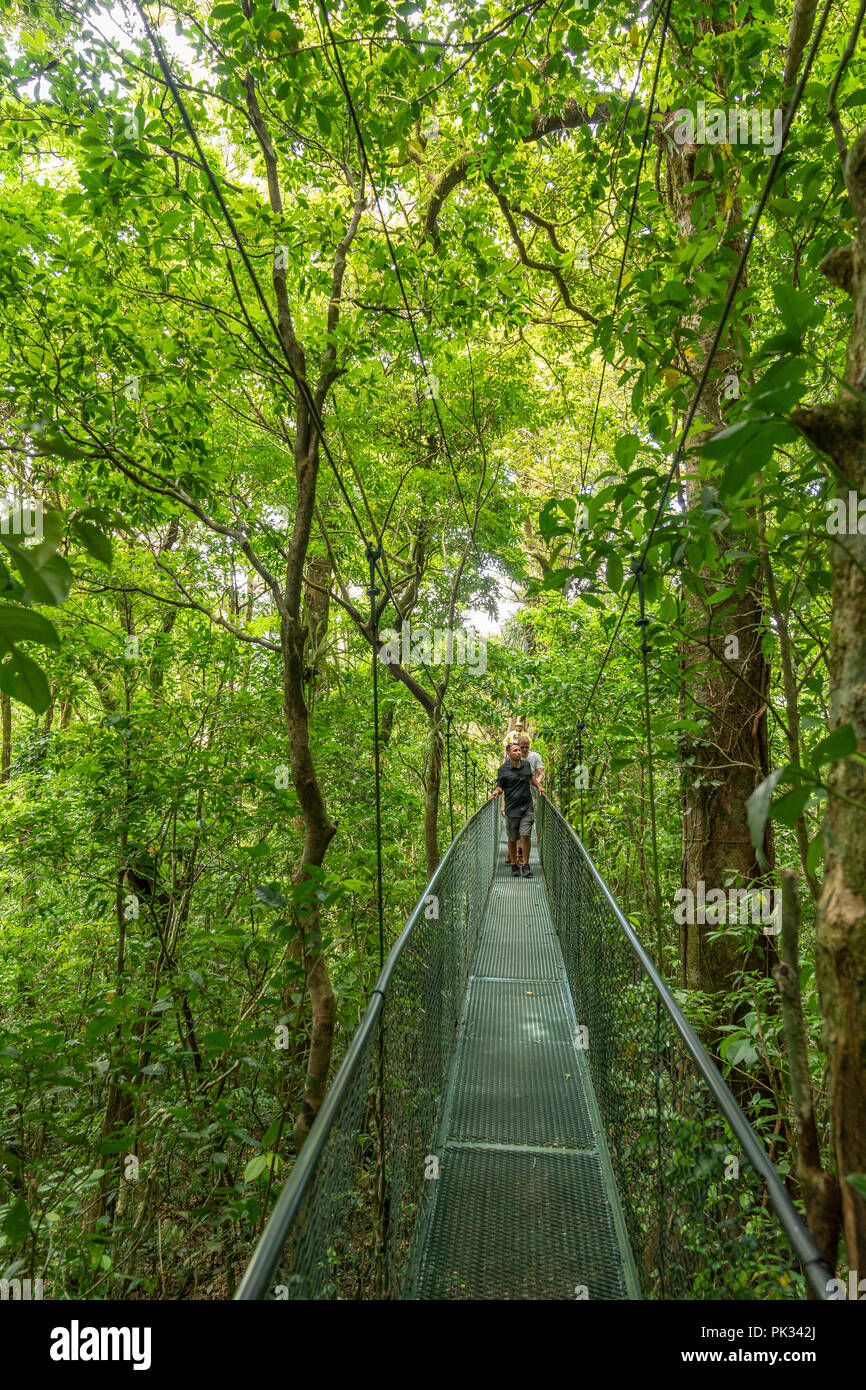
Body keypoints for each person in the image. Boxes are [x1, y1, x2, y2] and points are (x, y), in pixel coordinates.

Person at [492, 740, 540, 878]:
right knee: (512, 839)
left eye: (519, 750)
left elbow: (531, 778)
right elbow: (500, 786)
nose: (519, 752)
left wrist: (539, 787)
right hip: (512, 809)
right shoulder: (503, 770)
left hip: (527, 807)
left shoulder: (526, 764)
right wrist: (497, 791)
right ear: (508, 753)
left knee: (525, 835)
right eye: (515, 750)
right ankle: (514, 865)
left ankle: (525, 865)